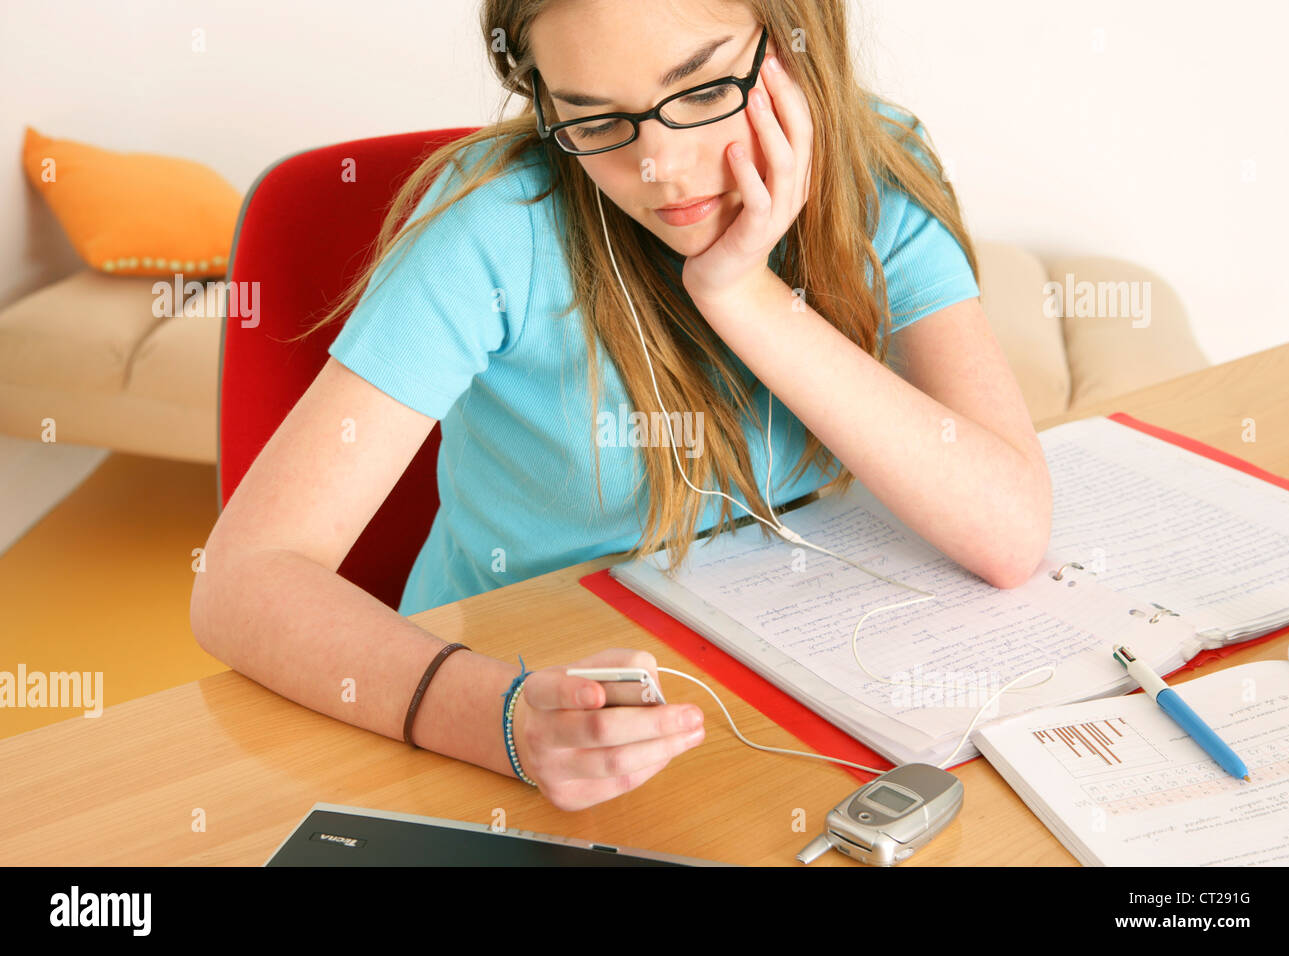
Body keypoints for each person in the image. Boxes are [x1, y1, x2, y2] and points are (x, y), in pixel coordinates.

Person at [191, 0, 1052, 812]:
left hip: (780, 701)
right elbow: (241, 581)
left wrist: (744, 297)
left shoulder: (876, 167)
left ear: (795, 37)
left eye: (705, 90)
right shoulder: (493, 228)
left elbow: (1009, 531)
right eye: (593, 117)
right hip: (521, 714)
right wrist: (502, 720)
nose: (659, 169)